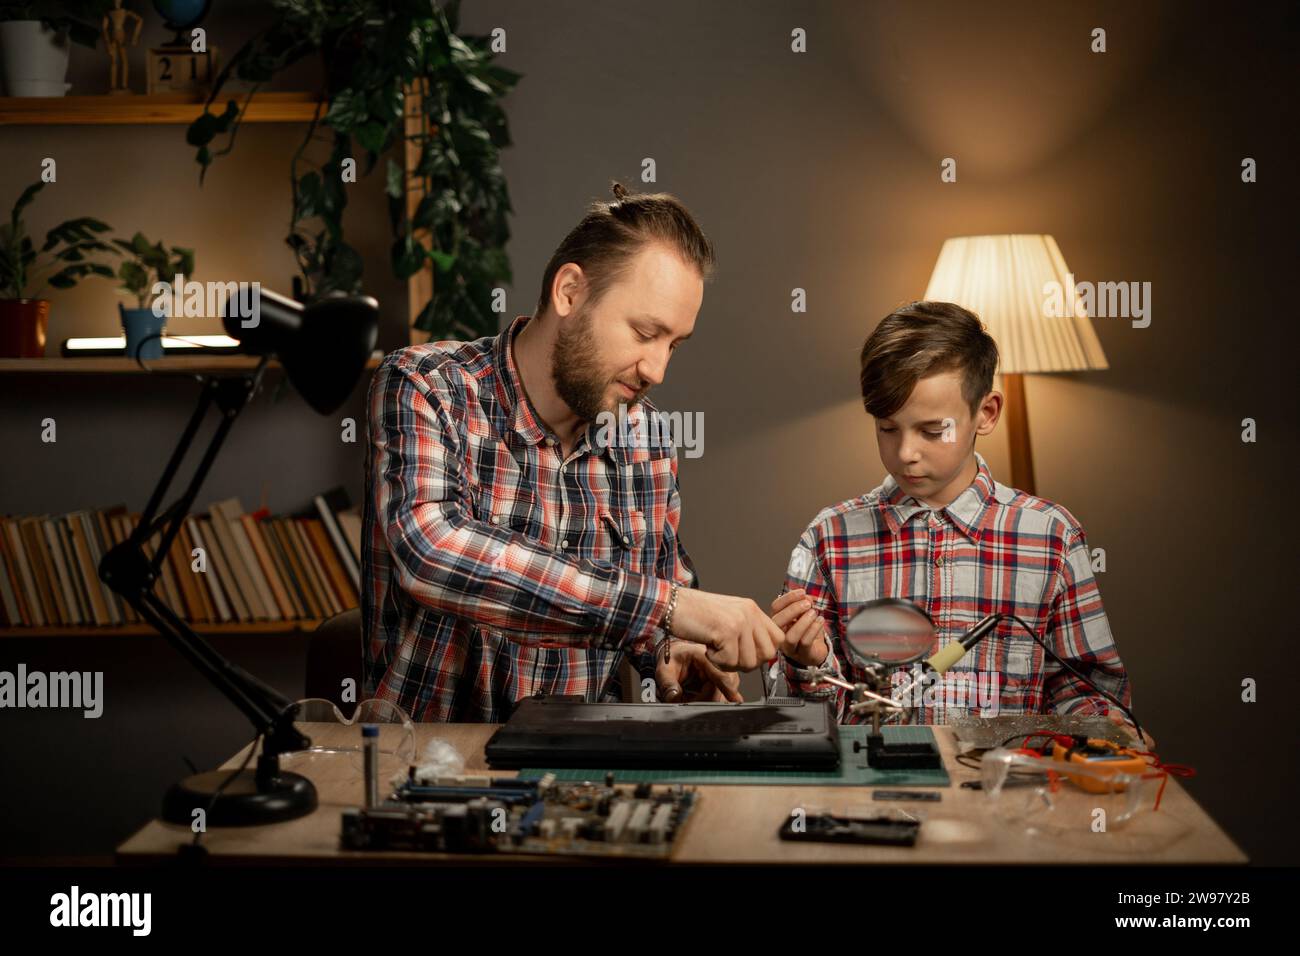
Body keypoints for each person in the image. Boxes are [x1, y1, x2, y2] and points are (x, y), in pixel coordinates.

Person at [362, 181, 782, 721]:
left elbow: (659, 595)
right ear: (569, 292)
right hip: (427, 765)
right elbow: (433, 552)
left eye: (673, 345)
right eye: (644, 332)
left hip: (582, 773)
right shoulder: (425, 386)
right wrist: (667, 610)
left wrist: (670, 650)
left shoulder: (645, 435)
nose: (657, 370)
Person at [770, 300, 1152, 747]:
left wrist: (1107, 730)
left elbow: (1085, 688)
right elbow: (797, 721)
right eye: (887, 428)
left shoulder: (1051, 537)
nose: (906, 452)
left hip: (1006, 799)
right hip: (877, 800)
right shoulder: (830, 540)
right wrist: (806, 662)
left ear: (986, 413)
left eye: (932, 430)